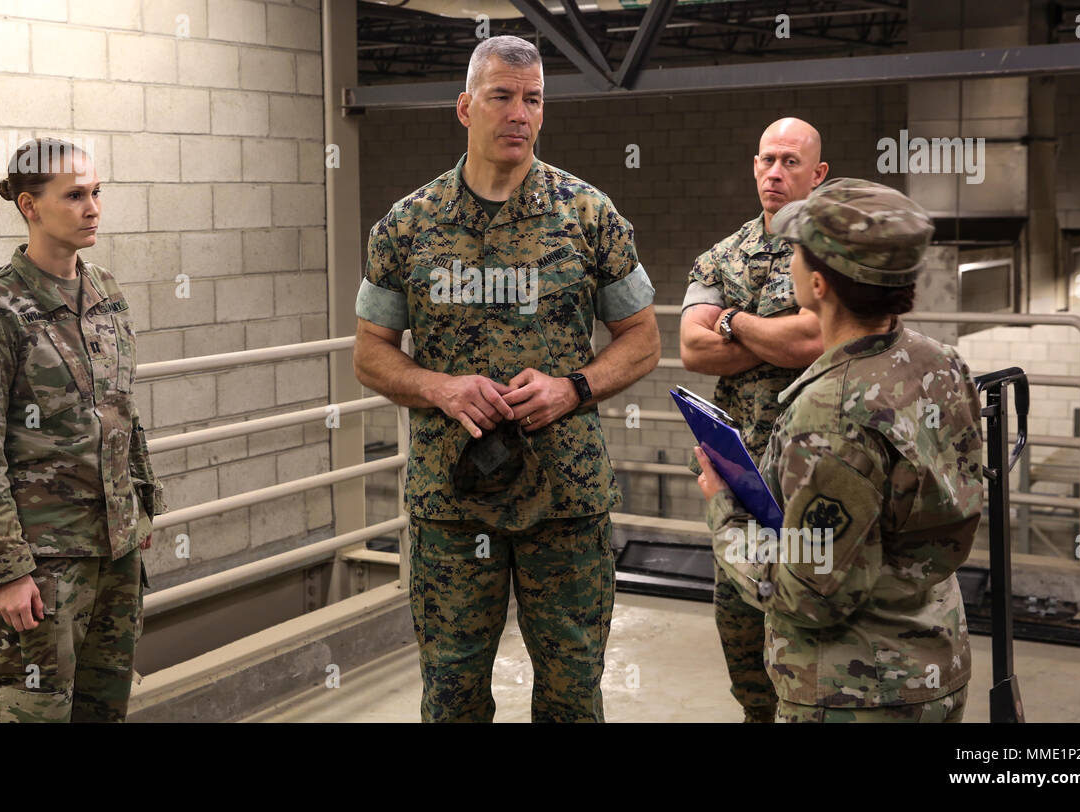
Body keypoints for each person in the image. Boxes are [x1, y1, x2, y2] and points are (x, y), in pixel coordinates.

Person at [354, 35, 660, 722]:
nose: (520, 113)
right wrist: (439, 387)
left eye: (534, 99)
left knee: (572, 692)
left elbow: (642, 341)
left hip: (565, 499)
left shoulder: (589, 217)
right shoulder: (407, 227)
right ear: (466, 107)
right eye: (502, 96)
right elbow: (371, 352)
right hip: (453, 502)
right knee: (453, 694)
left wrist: (572, 387)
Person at [695, 177, 984, 723]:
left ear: (820, 283)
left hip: (853, 692)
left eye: (798, 251)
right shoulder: (941, 363)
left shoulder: (829, 412)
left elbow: (809, 594)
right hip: (937, 664)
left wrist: (722, 508)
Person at [0, 138, 164, 722]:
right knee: (32, 711)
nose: (92, 208)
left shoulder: (105, 292)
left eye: (96, 193)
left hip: (111, 553)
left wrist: (138, 512)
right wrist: (5, 571)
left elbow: (121, 414)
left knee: (103, 708)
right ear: (29, 206)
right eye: (74, 196)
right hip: (39, 565)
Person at [678, 117, 827, 722]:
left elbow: (815, 339)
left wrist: (734, 322)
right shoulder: (722, 255)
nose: (775, 173)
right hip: (743, 477)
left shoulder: (832, 252)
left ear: (818, 175)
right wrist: (778, 334)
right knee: (741, 628)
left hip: (817, 474)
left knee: (811, 627)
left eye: (791, 162)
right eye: (767, 160)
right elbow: (691, 348)